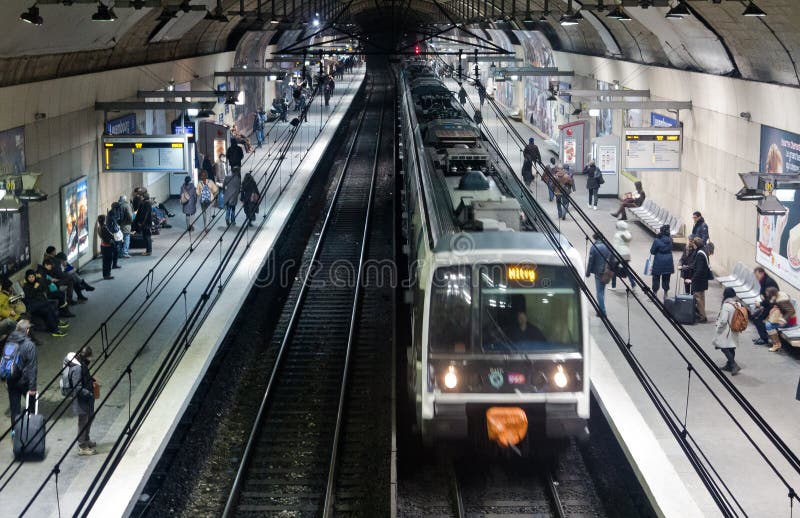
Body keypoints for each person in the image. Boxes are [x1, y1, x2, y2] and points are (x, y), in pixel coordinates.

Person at [4, 320, 37, 429]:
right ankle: (31, 431)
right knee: (31, 406)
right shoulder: (29, 345)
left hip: (11, 379)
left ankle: (15, 433)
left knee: (14, 409)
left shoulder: (9, 340)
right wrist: (32, 387)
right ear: (27, 331)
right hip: (24, 381)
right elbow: (32, 368)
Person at [68, 346, 97, 455]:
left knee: (90, 418)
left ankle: (86, 439)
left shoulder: (82, 365)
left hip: (87, 400)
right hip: (82, 400)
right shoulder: (77, 368)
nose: (90, 360)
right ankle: (82, 446)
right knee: (83, 422)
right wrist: (89, 393)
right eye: (89, 358)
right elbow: (78, 387)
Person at [713, 287, 742, 375]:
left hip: (726, 331)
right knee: (731, 347)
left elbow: (723, 320)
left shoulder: (726, 305)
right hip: (735, 329)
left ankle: (733, 365)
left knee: (724, 348)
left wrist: (718, 328)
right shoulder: (737, 304)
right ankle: (729, 365)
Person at [762, 286, 796, 352]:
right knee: (768, 323)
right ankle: (776, 343)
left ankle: (776, 345)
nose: (766, 295)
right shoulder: (779, 296)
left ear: (772, 294)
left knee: (768, 325)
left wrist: (783, 319)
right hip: (787, 320)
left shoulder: (782, 300)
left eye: (768, 294)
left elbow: (791, 311)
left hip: (790, 322)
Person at [752, 267, 780, 345]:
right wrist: (761, 295)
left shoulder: (769, 282)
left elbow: (771, 299)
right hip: (768, 304)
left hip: (773, 306)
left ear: (762, 273)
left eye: (757, 276)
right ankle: (763, 337)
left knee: (758, 318)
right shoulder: (763, 280)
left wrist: (760, 304)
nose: (757, 278)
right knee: (754, 316)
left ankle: (764, 339)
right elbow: (762, 291)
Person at [586, 234, 610, 317]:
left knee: (599, 292)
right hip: (607, 272)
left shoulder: (594, 247)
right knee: (602, 292)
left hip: (598, 272)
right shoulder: (607, 246)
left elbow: (590, 261)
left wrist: (588, 272)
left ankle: (602, 312)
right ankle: (601, 308)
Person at [649, 224, 674, 300]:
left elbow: (652, 251)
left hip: (658, 261)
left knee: (656, 277)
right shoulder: (670, 240)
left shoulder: (657, 240)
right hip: (668, 261)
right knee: (666, 278)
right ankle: (665, 294)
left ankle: (654, 294)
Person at [690, 237, 711, 323]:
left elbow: (699, 269)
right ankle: (703, 315)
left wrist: (693, 279)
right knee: (701, 298)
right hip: (703, 280)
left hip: (699, 281)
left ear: (696, 245)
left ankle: (703, 317)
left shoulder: (699, 254)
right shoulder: (704, 250)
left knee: (698, 299)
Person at [611, 220, 636, 290]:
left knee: (614, 269)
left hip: (619, 254)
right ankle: (633, 283)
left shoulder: (618, 234)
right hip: (627, 254)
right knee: (627, 270)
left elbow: (615, 245)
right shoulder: (628, 233)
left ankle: (613, 286)